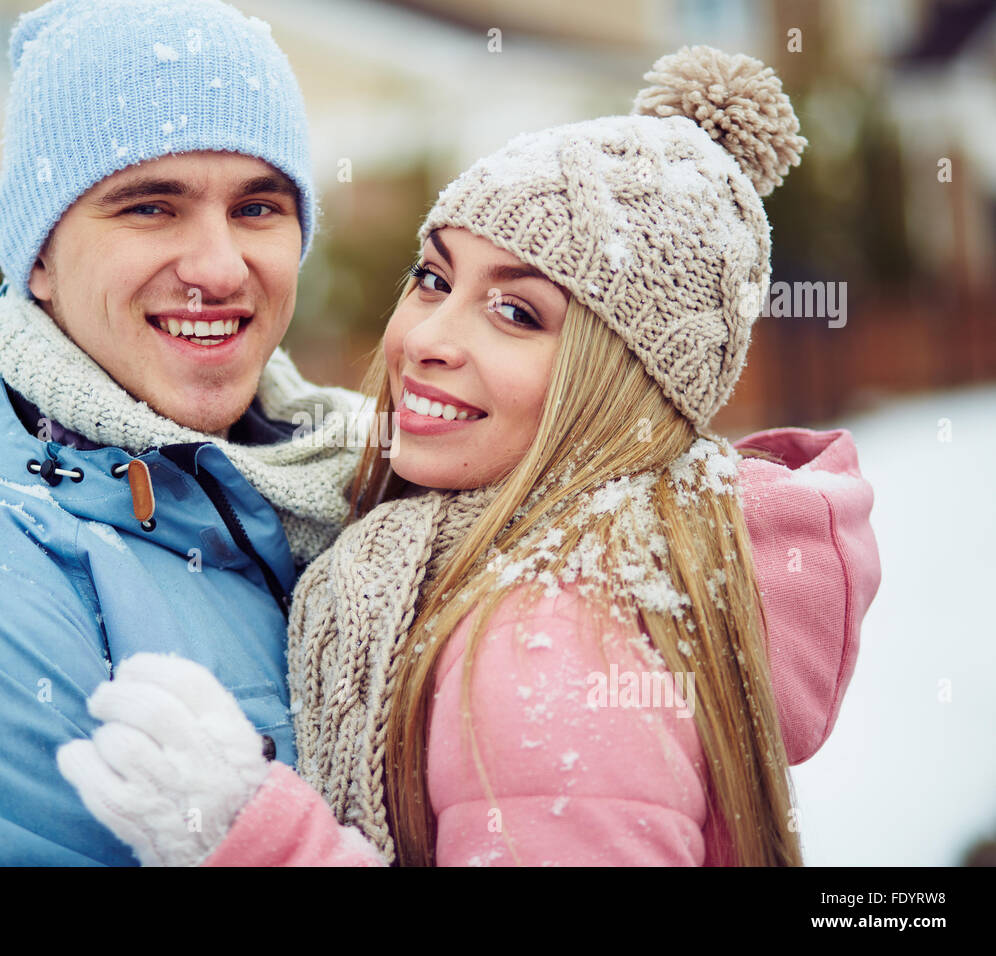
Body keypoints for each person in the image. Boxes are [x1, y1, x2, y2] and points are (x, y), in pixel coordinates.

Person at [57, 46, 882, 866]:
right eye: (434, 278)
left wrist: (257, 840)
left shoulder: (550, 640)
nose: (428, 339)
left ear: (622, 385)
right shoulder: (591, 569)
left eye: (518, 314)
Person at [0, 0, 369, 865]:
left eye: (258, 208)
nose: (219, 266)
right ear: (37, 257)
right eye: (150, 207)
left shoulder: (329, 491)